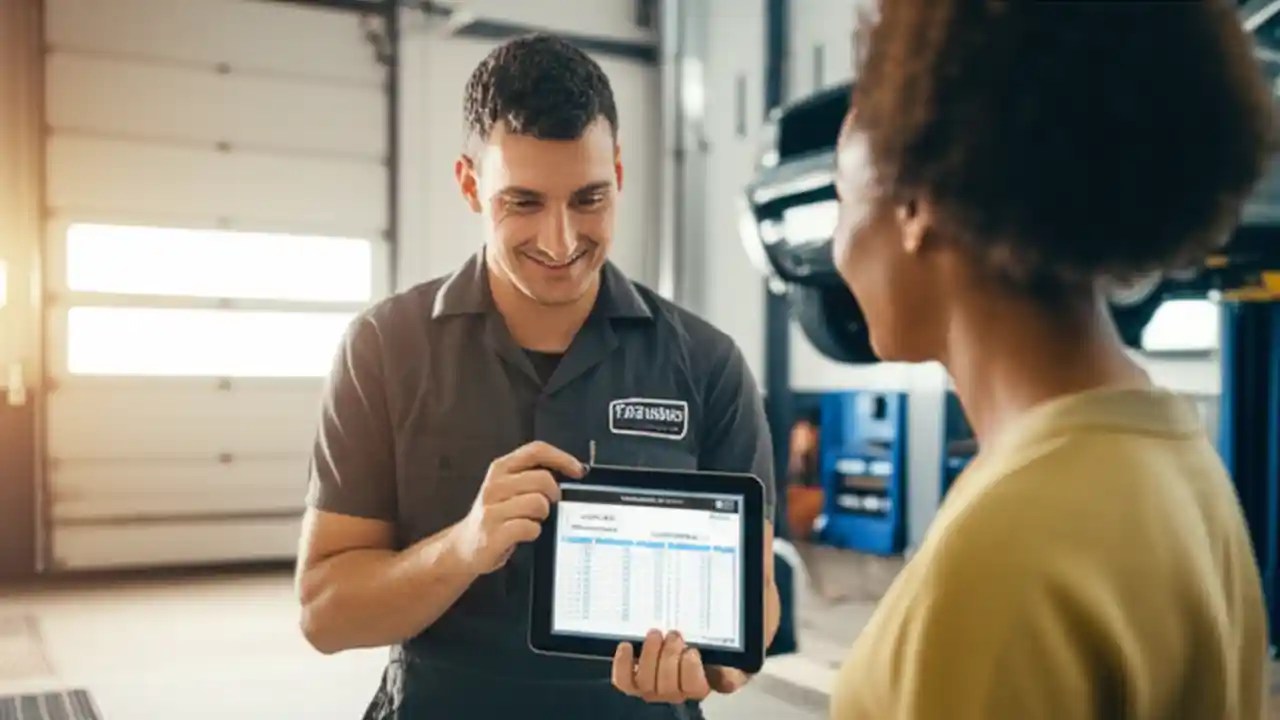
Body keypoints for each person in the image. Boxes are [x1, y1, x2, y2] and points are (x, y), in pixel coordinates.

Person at [294, 33, 780, 720]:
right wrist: (461, 548)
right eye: (522, 203)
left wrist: (712, 669)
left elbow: (750, 612)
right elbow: (324, 613)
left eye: (589, 199)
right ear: (470, 185)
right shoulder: (384, 348)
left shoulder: (707, 364)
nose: (560, 241)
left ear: (619, 172)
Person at [827, 2, 1274, 719]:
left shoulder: (1003, 552)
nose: (834, 249)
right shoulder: (1175, 462)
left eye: (841, 200)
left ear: (916, 205)